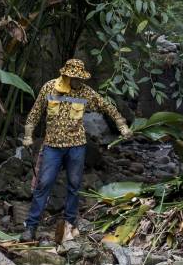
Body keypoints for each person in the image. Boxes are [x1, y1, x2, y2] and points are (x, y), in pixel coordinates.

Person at [20, 58, 132, 242]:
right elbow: (35, 112)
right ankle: (31, 227)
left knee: (74, 184)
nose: (79, 81)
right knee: (44, 183)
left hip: (76, 145)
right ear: (66, 76)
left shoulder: (85, 92)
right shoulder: (49, 88)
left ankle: (70, 225)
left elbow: (106, 106)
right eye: (75, 78)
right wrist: (28, 135)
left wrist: (122, 125)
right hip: (52, 146)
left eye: (81, 78)